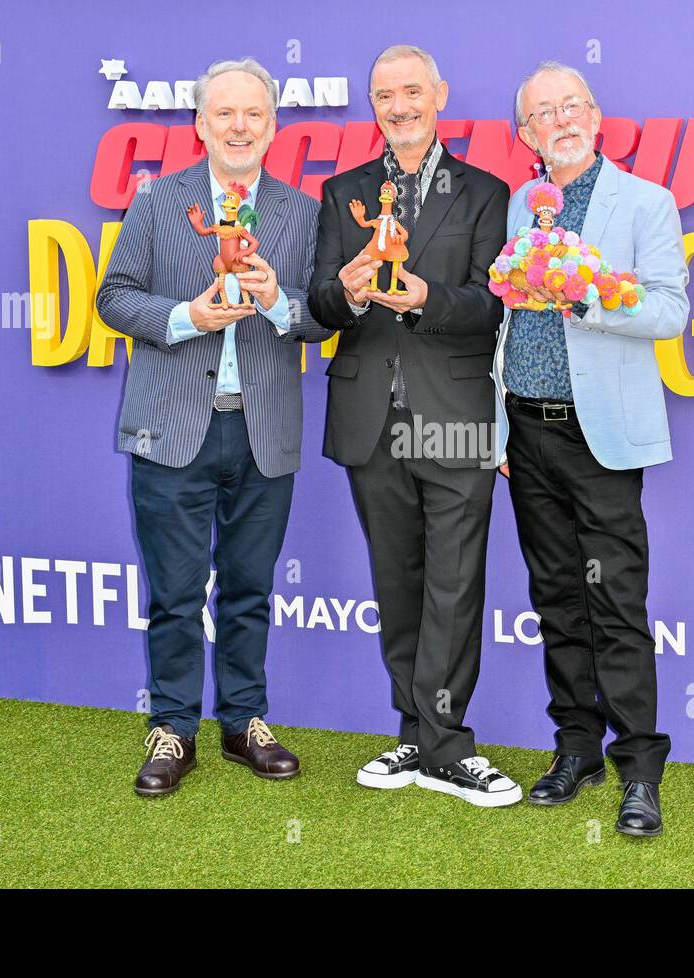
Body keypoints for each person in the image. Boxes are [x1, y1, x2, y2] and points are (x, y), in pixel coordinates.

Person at [97, 57, 333, 796]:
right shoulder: (157, 202)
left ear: (272, 127)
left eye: (253, 115)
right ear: (199, 125)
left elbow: (322, 317)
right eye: (224, 114)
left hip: (263, 431)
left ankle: (244, 722)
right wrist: (185, 318)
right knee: (173, 591)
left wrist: (278, 301)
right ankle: (171, 727)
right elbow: (113, 297)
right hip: (171, 432)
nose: (239, 127)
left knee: (249, 587)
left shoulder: (301, 212)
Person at [307, 44, 519, 807]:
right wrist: (353, 293)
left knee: (454, 585)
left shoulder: (488, 193)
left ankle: (448, 744)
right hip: (370, 418)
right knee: (397, 582)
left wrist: (427, 297)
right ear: (373, 106)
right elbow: (317, 306)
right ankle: (418, 732)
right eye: (383, 96)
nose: (398, 107)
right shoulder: (344, 193)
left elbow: (493, 303)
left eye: (411, 92)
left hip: (456, 415)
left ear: (440, 96)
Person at [492, 61, 690, 835]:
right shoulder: (521, 206)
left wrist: (585, 293)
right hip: (526, 431)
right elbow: (508, 321)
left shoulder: (646, 202)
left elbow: (669, 310)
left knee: (617, 604)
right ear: (527, 136)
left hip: (599, 434)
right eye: (542, 113)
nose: (559, 120)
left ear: (596, 115)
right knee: (556, 599)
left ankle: (640, 768)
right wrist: (500, 425)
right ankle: (574, 747)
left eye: (570, 106)